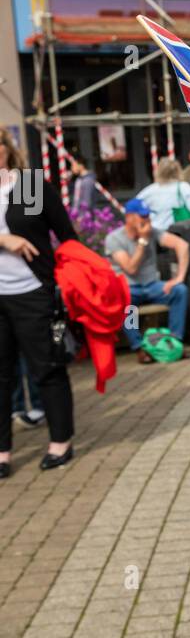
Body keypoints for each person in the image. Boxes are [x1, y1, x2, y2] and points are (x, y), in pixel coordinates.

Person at [0, 126, 77, 478]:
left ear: (6, 149)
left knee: (45, 368)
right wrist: (5, 239)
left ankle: (60, 441)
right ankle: (2, 451)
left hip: (32, 292)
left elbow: (67, 238)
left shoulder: (28, 185)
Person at [104, 198, 190, 363]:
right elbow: (131, 268)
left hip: (152, 285)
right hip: (129, 288)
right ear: (129, 217)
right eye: (142, 216)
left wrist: (178, 277)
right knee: (124, 301)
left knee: (179, 291)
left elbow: (182, 245)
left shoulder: (153, 232)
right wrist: (143, 241)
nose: (147, 220)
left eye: (148, 216)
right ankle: (139, 348)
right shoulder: (114, 239)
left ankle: (173, 343)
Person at [138, 157, 190, 236]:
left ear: (158, 171)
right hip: (179, 235)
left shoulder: (150, 190)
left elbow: (134, 207)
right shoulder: (183, 187)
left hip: (155, 234)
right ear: (178, 171)